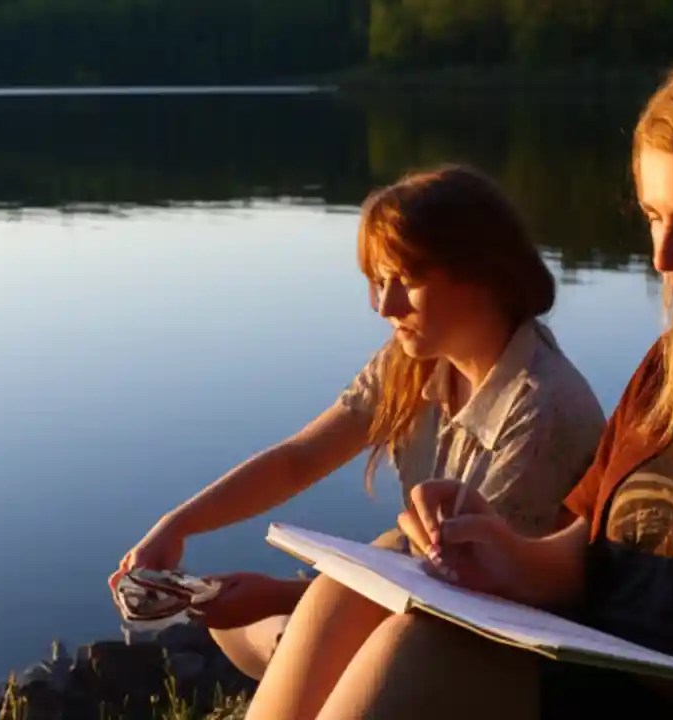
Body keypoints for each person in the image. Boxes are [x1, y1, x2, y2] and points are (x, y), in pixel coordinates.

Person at [248, 47, 673, 720]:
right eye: (654, 216)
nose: (662, 257)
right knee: (375, 572)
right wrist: (502, 554)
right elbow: (588, 550)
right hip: (607, 672)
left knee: (424, 654)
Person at [110, 165, 605, 681]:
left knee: (284, 630)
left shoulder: (542, 409)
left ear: (481, 274)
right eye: (378, 282)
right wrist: (176, 526)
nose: (385, 306)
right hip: (423, 599)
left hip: (493, 651)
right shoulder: (413, 361)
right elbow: (298, 460)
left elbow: (467, 597)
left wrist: (285, 596)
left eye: (406, 282)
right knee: (234, 623)